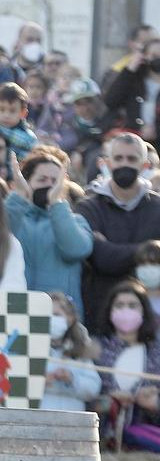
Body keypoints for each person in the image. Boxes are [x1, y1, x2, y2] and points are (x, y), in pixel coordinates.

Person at [75, 131, 160, 321]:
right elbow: (102, 259)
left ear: (145, 165)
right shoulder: (88, 206)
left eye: (131, 158)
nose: (124, 163)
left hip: (151, 316)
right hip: (99, 313)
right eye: (119, 158)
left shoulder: (158, 208)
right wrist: (147, 250)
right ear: (108, 163)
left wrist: (111, 249)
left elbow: (109, 255)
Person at [5, 148, 93, 316]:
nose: (49, 185)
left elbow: (75, 250)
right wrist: (19, 196)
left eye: (54, 180)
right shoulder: (15, 216)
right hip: (17, 313)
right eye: (42, 179)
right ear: (27, 181)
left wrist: (56, 204)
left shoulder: (76, 221)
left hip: (61, 317)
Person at [95, 281, 160, 451]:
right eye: (119, 305)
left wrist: (154, 403)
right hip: (100, 443)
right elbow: (86, 399)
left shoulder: (156, 352)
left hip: (146, 450)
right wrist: (108, 401)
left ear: (144, 312)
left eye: (132, 305)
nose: (126, 311)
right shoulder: (97, 350)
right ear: (110, 311)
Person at [42, 292, 101, 413]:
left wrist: (71, 378)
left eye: (56, 314)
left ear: (70, 318)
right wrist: (39, 381)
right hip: (39, 416)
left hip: (72, 420)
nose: (51, 320)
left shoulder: (80, 351)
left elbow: (93, 388)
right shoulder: (30, 350)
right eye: (46, 315)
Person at [103, 37, 160, 137]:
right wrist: (129, 69)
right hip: (134, 140)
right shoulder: (134, 80)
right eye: (154, 55)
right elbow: (111, 101)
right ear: (145, 56)